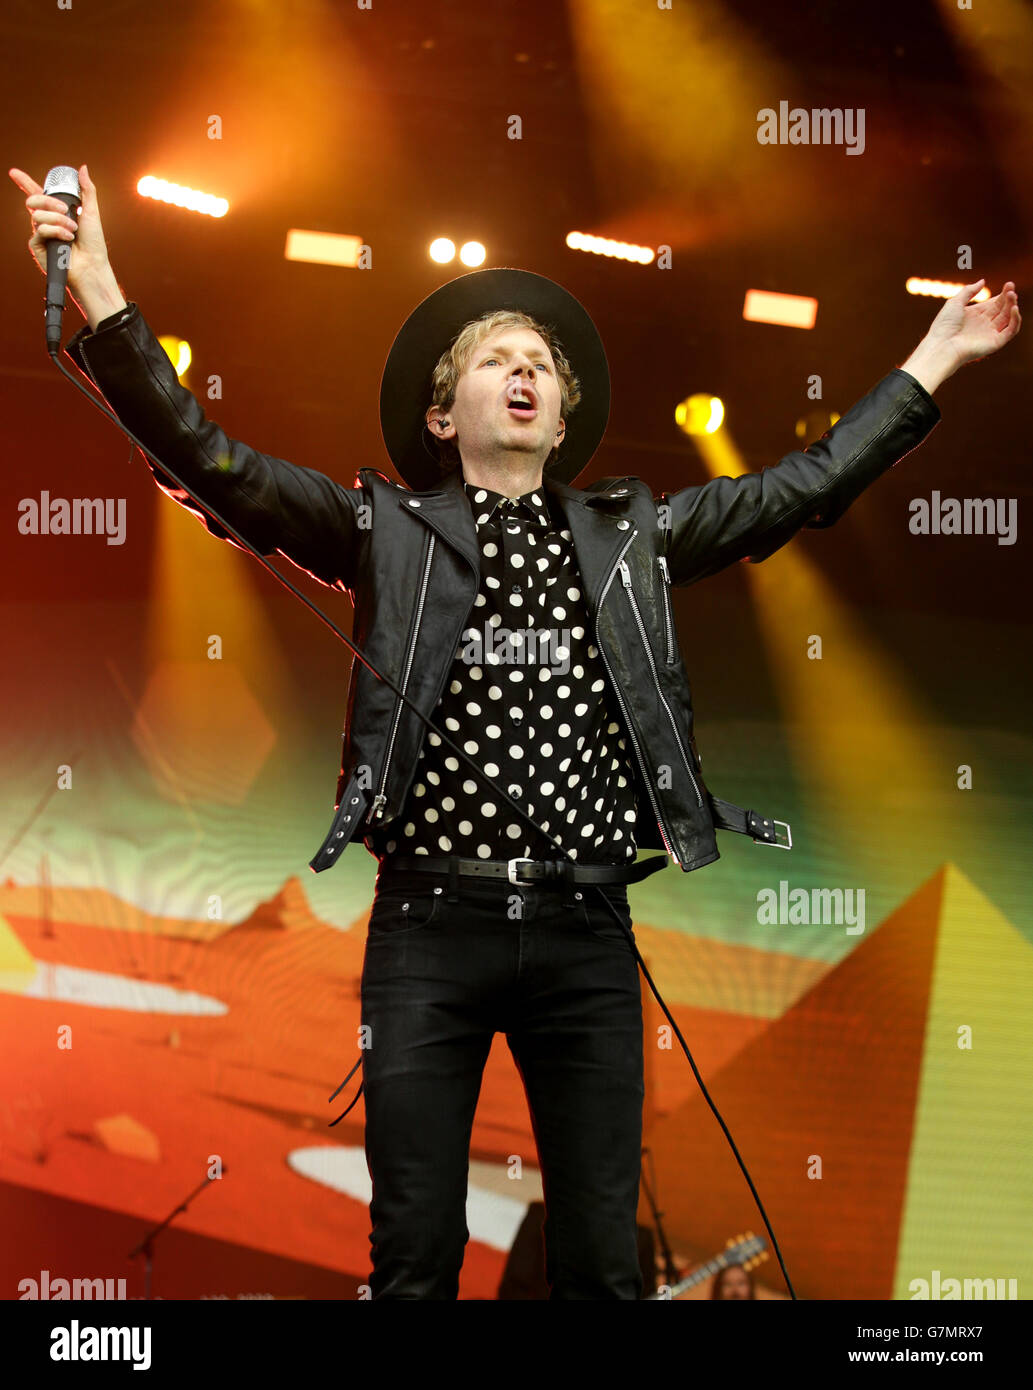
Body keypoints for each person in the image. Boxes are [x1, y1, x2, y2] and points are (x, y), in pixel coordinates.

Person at [10, 164, 1021, 1300]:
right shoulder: (380, 526)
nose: (527, 369)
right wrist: (99, 286)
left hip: (586, 932)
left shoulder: (631, 531)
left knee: (601, 1263)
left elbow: (808, 483)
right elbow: (210, 459)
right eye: (498, 358)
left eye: (541, 362)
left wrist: (935, 356)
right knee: (414, 1264)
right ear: (444, 416)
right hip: (429, 931)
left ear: (562, 414)